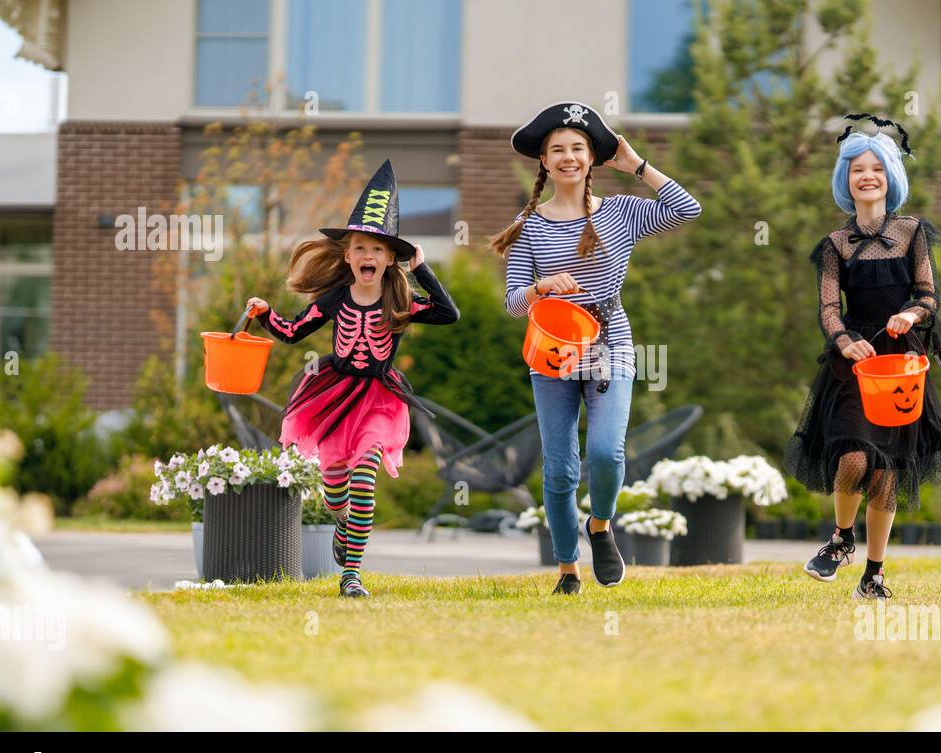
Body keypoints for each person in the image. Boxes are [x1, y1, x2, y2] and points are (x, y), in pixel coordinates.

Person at [489, 101, 701, 595]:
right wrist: (541, 289)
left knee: (606, 452)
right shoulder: (529, 225)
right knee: (560, 468)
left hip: (610, 344)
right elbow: (512, 303)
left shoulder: (622, 212)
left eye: (577, 148)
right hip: (551, 353)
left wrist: (638, 166)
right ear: (544, 162)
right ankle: (567, 569)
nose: (567, 156)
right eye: (557, 149)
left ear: (591, 158)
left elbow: (687, 208)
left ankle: (601, 525)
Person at [247, 160, 459, 597]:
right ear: (347, 255)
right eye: (360, 247)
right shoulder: (334, 298)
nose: (368, 256)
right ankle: (340, 521)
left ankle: (351, 576)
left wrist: (422, 268)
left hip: (379, 398)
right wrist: (266, 314)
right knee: (336, 489)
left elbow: (448, 313)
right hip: (332, 395)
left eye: (378, 249)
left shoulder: (401, 297)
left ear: (390, 259)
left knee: (365, 478)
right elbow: (291, 332)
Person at [784, 114, 941, 599]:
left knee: (887, 471)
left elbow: (928, 296)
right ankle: (841, 537)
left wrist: (911, 315)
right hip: (853, 365)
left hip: (901, 366)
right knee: (854, 456)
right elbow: (827, 307)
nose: (868, 177)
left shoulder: (913, 232)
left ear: (890, 177)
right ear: (846, 179)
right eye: (858, 169)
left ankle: (873, 574)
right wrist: (843, 340)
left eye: (877, 169)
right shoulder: (835, 245)